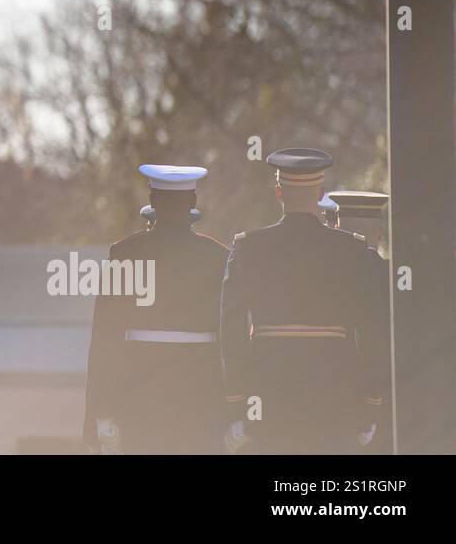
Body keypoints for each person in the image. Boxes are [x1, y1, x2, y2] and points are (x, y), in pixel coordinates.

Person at [220, 149, 388, 454]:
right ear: (322, 194)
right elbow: (372, 331)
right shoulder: (352, 250)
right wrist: (369, 402)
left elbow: (231, 333)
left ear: (279, 193)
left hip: (269, 393)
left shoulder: (248, 248)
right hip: (336, 394)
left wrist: (238, 404)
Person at [83, 164, 230, 454]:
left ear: (152, 200)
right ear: (193, 203)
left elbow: (104, 338)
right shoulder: (219, 255)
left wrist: (98, 412)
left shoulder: (125, 253)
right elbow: (231, 336)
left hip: (139, 395)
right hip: (201, 396)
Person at [326, 190, 393, 453]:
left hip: (331, 393)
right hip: (384, 395)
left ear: (337, 229)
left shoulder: (321, 275)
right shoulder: (390, 276)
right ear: (379, 234)